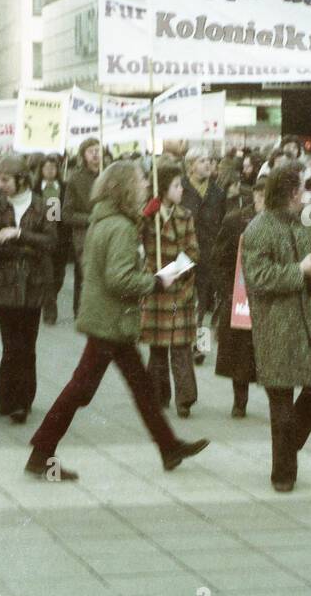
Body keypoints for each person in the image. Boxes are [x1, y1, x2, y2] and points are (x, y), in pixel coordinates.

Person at [28, 161, 208, 480]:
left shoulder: (105, 219)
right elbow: (119, 279)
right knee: (81, 390)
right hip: (110, 321)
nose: (143, 186)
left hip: (109, 319)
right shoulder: (121, 227)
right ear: (124, 188)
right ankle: (41, 451)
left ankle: (168, 447)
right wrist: (154, 281)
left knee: (139, 388)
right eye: (139, 182)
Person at [241, 161, 311, 492]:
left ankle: (286, 449)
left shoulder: (302, 226)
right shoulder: (258, 229)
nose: (309, 194)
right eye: (305, 188)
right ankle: (283, 473)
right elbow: (258, 277)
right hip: (277, 326)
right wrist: (299, 271)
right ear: (293, 193)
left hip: (308, 325)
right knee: (280, 399)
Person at [0, 153, 56, 423]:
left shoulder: (46, 205)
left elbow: (52, 241)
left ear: (22, 180)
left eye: (6, 180)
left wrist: (18, 235)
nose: (1, 184)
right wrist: (28, 249)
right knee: (10, 345)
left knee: (27, 345)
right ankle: (7, 399)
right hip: (4, 286)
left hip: (34, 286)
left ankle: (23, 401)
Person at [141, 162, 200, 417]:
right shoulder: (148, 216)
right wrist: (144, 215)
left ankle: (185, 399)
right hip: (155, 288)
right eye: (176, 186)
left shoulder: (185, 216)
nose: (181, 190)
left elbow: (193, 250)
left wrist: (172, 272)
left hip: (177, 287)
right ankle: (156, 396)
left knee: (180, 347)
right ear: (163, 189)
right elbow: (132, 239)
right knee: (157, 349)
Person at [213, 176, 265, 417]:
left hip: (268, 294)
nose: (264, 199)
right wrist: (228, 290)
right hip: (240, 293)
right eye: (261, 193)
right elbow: (220, 258)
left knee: (267, 350)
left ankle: (277, 399)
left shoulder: (283, 221)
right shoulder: (235, 220)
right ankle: (239, 400)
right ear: (254, 194)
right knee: (241, 351)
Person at [182, 146, 225, 363]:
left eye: (209, 160)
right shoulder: (180, 188)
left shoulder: (218, 192)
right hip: (183, 254)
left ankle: (200, 347)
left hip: (208, 253)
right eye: (201, 160)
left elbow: (223, 222)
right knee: (184, 299)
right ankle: (182, 342)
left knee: (202, 301)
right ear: (190, 166)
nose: (208, 164)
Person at [63, 137, 103, 316]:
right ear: (83, 155)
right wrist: (90, 218)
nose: (95, 154)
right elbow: (67, 214)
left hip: (106, 233)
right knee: (86, 276)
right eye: (91, 151)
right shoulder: (75, 180)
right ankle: (83, 312)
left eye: (98, 149)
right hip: (85, 236)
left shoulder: (108, 174)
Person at [35, 154, 69, 326]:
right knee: (48, 276)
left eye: (53, 168)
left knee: (59, 275)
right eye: (46, 168)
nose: (50, 171)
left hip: (60, 236)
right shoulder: (35, 189)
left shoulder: (63, 187)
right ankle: (50, 311)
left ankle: (50, 297)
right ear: (41, 170)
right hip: (43, 237)